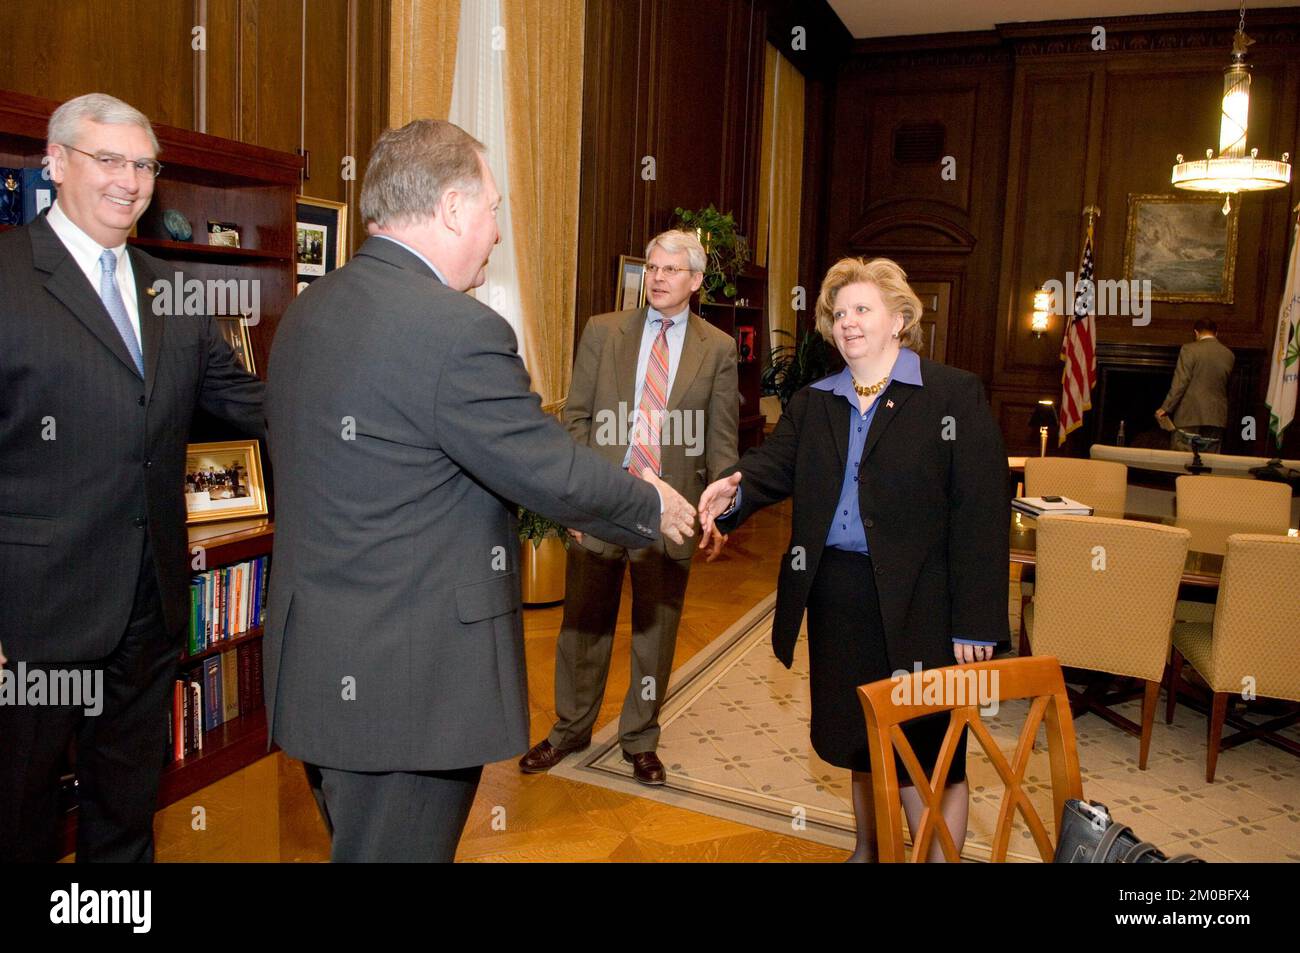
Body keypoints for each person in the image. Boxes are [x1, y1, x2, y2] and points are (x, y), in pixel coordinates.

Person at [263, 119, 697, 862]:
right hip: (407, 681)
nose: (497, 233)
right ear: (455, 208)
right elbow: (546, 469)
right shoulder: (456, 329)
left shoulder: (311, 309)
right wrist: (653, 500)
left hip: (322, 663)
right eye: (494, 209)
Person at [0, 93, 265, 862]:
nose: (129, 181)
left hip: (147, 611)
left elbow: (252, 403)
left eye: (143, 164)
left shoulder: (172, 290)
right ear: (55, 164)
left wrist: (371, 419)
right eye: (107, 159)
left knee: (125, 808)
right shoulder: (10, 275)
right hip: (32, 624)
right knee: (18, 815)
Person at [698, 257, 1010, 862]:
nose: (848, 323)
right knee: (861, 741)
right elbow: (772, 468)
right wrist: (730, 492)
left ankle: (933, 859)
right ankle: (870, 850)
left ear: (899, 319)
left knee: (929, 752)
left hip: (922, 601)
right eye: (839, 314)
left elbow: (982, 513)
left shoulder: (952, 394)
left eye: (862, 310)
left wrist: (976, 621)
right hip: (838, 598)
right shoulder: (817, 401)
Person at [518, 230, 739, 785]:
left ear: (695, 281)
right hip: (602, 498)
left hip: (674, 511)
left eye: (671, 270)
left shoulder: (718, 348)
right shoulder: (603, 330)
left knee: (655, 631)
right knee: (582, 624)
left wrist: (720, 506)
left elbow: (722, 442)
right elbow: (578, 419)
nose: (658, 278)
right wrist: (579, 495)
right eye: (653, 268)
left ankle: (640, 738)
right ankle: (569, 729)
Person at [1156, 319, 1235, 452]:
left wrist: (1166, 407)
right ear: (1217, 333)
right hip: (1216, 417)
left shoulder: (1189, 349)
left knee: (1182, 462)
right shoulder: (1229, 355)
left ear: (1196, 333)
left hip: (1189, 415)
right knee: (1208, 464)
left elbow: (1181, 381)